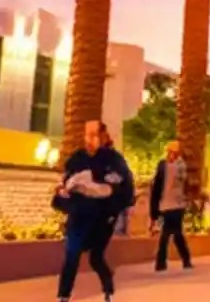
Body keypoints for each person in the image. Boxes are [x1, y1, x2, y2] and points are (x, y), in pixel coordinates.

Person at [55, 120, 134, 302]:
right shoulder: (77, 159)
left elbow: (125, 189)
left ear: (103, 137)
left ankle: (108, 288)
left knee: (95, 258)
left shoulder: (114, 160)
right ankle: (64, 296)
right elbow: (64, 181)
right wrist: (62, 191)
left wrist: (111, 204)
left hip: (102, 217)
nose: (89, 139)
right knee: (72, 253)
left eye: (93, 135)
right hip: (79, 215)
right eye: (87, 134)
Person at [149, 140, 192, 272]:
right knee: (172, 233)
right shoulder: (162, 165)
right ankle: (183, 259)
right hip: (165, 204)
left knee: (170, 233)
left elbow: (184, 180)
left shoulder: (181, 165)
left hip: (178, 205)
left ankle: (163, 262)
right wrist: (154, 208)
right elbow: (157, 186)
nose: (171, 154)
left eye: (174, 152)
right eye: (170, 151)